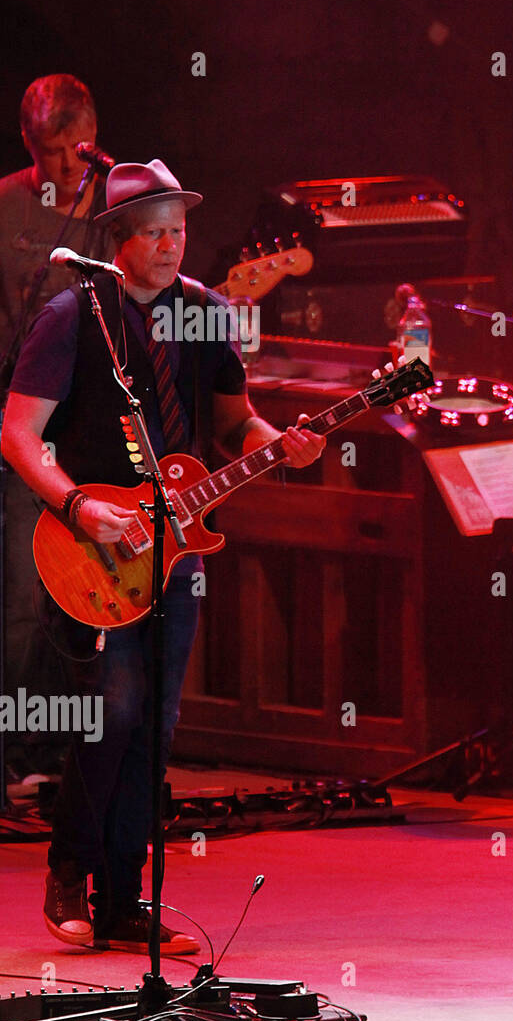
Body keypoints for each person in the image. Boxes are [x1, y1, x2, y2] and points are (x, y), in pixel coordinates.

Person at [1, 159, 325, 952]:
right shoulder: (75, 313)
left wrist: (277, 444)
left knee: (157, 725)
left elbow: (234, 425)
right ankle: (68, 875)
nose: (172, 245)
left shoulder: (207, 314)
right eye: (154, 232)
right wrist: (79, 502)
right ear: (118, 239)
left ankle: (123, 901)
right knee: (112, 712)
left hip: (177, 552)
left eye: (179, 230)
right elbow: (17, 433)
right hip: (94, 546)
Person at [1, 75, 111, 703]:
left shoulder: (116, 208)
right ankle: (17, 750)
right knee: (21, 593)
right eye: (51, 152)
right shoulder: (6, 207)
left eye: (78, 149)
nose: (66, 165)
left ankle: (65, 752)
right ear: (28, 143)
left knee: (85, 592)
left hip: (90, 434)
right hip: (20, 429)